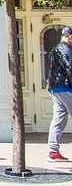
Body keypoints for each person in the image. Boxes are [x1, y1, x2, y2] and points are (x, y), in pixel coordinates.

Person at [46, 26, 72, 162]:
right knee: (59, 120)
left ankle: (53, 151)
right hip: (64, 88)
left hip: (54, 88)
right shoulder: (66, 49)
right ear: (70, 37)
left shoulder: (56, 49)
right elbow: (70, 68)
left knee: (59, 119)